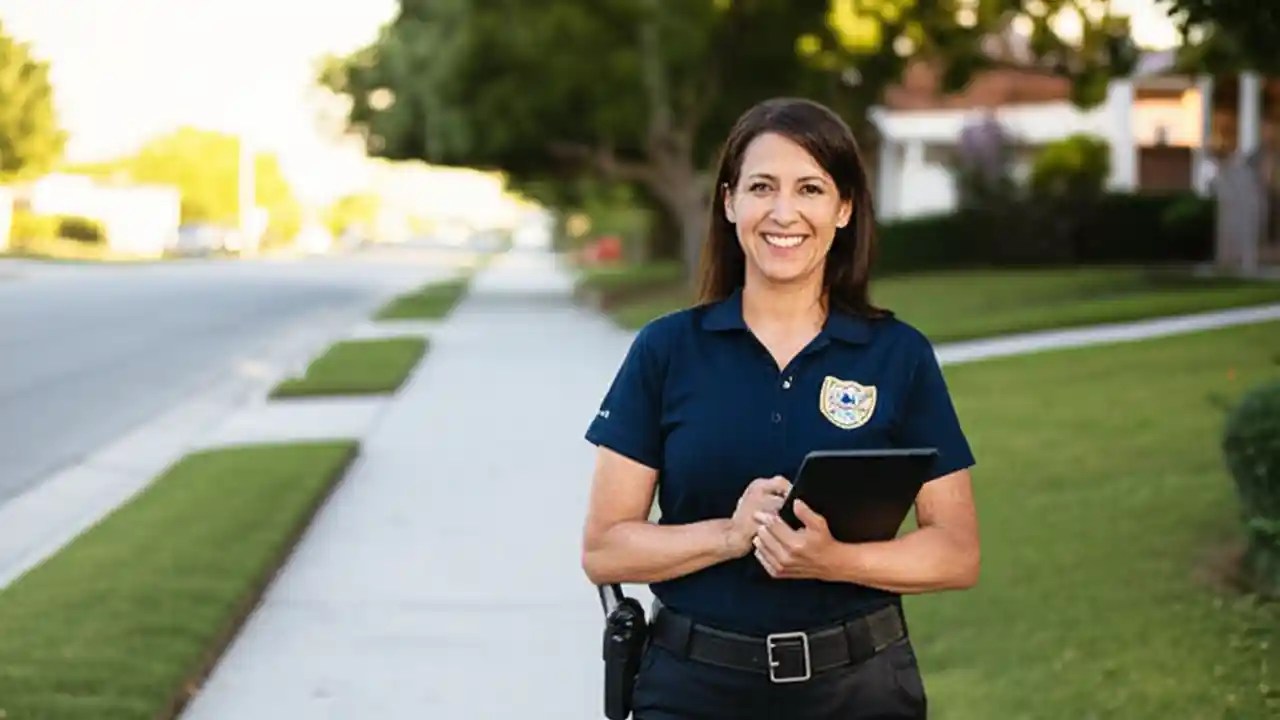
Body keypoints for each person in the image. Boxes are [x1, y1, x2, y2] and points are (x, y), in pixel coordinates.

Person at [581, 97, 980, 720]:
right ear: (729, 201)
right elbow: (605, 549)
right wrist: (731, 536)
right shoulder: (666, 350)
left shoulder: (897, 356)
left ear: (844, 208)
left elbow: (957, 552)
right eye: (762, 186)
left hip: (859, 691)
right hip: (693, 690)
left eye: (811, 188)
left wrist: (832, 561)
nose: (784, 212)